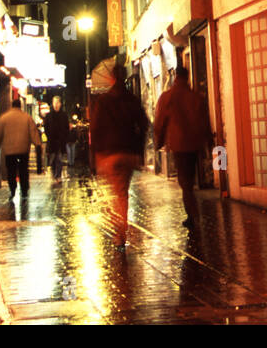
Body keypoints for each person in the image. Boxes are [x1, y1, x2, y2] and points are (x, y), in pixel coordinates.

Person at [88, 63, 149, 249]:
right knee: (122, 193)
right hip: (128, 152)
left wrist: (95, 154)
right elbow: (144, 124)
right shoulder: (132, 99)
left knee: (115, 194)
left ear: (112, 78)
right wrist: (138, 149)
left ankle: (120, 233)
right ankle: (120, 230)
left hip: (109, 154)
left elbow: (95, 129)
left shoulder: (104, 101)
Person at [153, 63, 213, 230]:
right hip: (194, 143)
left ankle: (193, 215)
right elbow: (205, 122)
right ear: (187, 77)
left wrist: (159, 142)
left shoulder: (167, 97)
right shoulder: (196, 97)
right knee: (190, 179)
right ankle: (193, 213)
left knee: (185, 183)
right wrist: (209, 142)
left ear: (175, 77)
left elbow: (160, 122)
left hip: (178, 145)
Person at [0, 96, 42, 199]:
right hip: (23, 150)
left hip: (9, 151)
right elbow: (33, 133)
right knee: (23, 170)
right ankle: (24, 191)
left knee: (11, 171)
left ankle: (12, 190)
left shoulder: (4, 118)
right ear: (20, 106)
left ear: (12, 106)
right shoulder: (27, 118)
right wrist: (37, 144)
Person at [43, 98, 72, 181]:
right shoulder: (48, 116)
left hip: (60, 141)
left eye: (57, 103)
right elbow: (46, 128)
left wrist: (64, 137)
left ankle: (58, 175)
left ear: (60, 104)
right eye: (54, 103)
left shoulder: (64, 115)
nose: (56, 105)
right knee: (52, 159)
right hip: (52, 141)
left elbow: (66, 128)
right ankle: (54, 174)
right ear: (52, 104)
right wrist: (49, 136)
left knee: (59, 158)